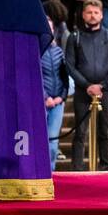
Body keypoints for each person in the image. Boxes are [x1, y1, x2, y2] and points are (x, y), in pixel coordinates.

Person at [66, 0, 108, 171]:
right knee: (80, 132)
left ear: (102, 15)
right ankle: (77, 168)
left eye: (96, 12)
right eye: (89, 12)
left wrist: (101, 86)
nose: (92, 15)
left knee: (104, 131)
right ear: (83, 15)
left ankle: (106, 167)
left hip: (105, 91)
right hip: (83, 91)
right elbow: (70, 65)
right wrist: (87, 85)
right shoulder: (75, 37)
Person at [40, 33, 68, 165]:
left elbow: (65, 77)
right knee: (40, 139)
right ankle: (41, 170)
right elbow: (36, 76)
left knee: (53, 139)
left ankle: (51, 171)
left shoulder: (59, 51)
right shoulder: (36, 51)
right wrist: (45, 97)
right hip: (41, 102)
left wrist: (61, 97)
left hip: (57, 102)